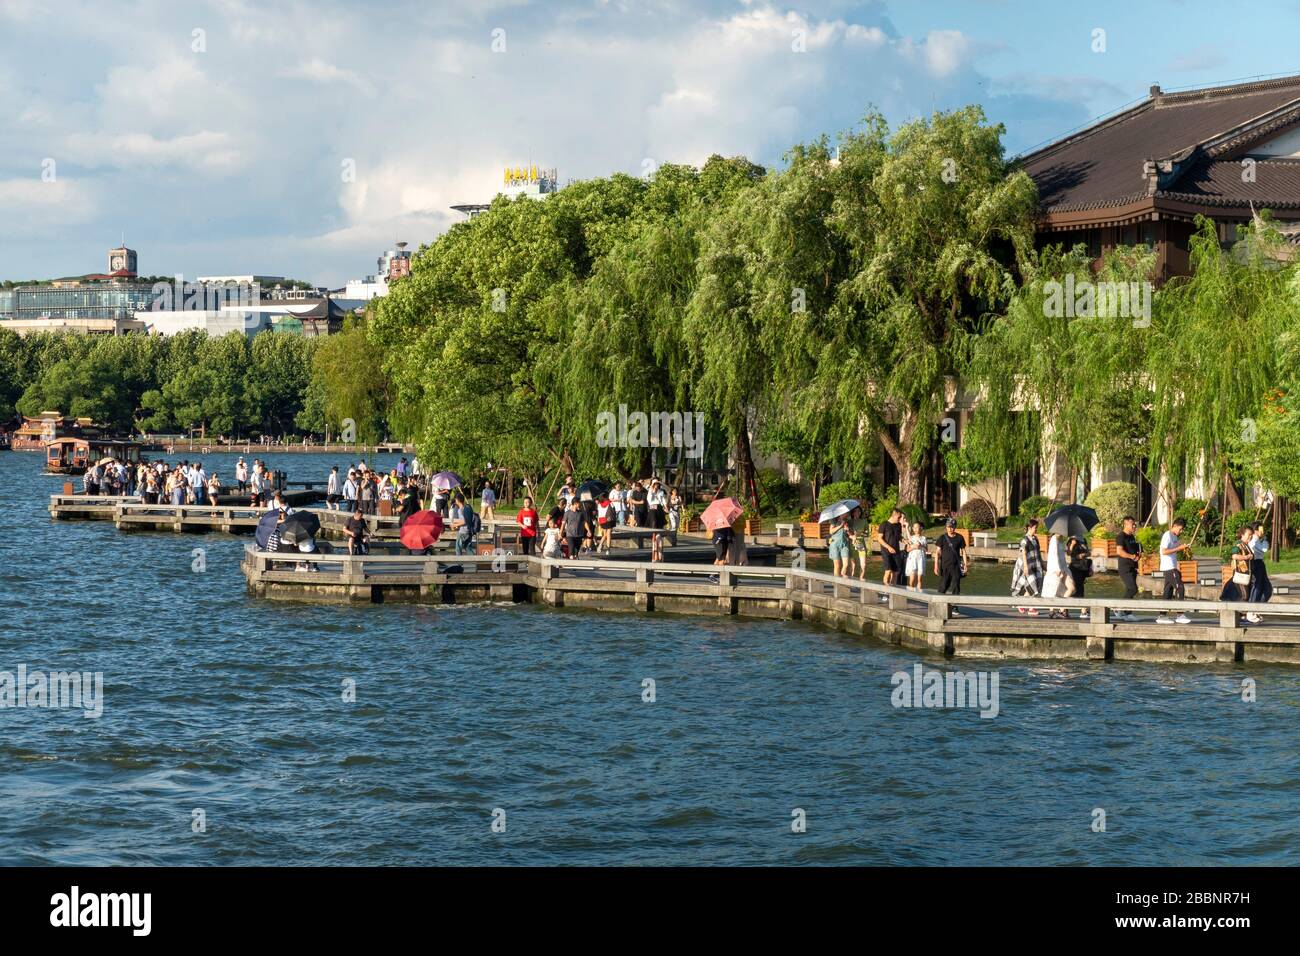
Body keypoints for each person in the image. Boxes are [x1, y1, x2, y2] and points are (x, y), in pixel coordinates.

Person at [1156, 517, 1193, 625]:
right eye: (1180, 529)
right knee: (1180, 587)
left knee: (1167, 592)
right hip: (1168, 567)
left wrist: (1185, 547)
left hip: (1172, 567)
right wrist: (1178, 548)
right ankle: (1179, 614)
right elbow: (1164, 551)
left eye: (1182, 530)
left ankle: (1162, 616)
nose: (1181, 531)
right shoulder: (1167, 535)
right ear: (1175, 526)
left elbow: (1177, 547)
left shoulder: (1174, 537)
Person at [1011, 518, 1044, 615]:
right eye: (1035, 528)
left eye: (1036, 527)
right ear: (1030, 528)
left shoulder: (1035, 539)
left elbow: (1038, 552)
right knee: (1032, 582)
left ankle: (1027, 606)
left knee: (1035, 585)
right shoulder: (1024, 540)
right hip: (1026, 565)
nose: (1036, 529)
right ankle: (1029, 607)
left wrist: (1042, 563)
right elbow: (1023, 553)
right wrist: (1025, 566)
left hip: (1036, 564)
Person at [1113, 516, 1141, 622]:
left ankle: (1127, 613)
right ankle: (1119, 608)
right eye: (1132, 524)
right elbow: (1119, 551)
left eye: (1134, 524)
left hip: (1133, 567)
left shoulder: (1132, 537)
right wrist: (1131, 556)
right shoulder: (1121, 536)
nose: (1134, 526)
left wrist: (1137, 556)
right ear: (1125, 525)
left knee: (1130, 589)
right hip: (1125, 567)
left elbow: (1134, 551)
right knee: (1133, 588)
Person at [1220, 525, 1255, 608]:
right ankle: (1240, 613)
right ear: (1242, 534)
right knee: (1244, 596)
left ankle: (1240, 614)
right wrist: (1246, 557)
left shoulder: (1246, 545)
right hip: (1241, 574)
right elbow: (1234, 556)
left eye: (1251, 535)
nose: (1250, 537)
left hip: (1246, 574)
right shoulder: (1239, 544)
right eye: (1248, 535)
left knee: (1244, 595)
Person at [933, 519, 967, 599]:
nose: (950, 529)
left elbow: (963, 552)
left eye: (952, 527)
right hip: (945, 566)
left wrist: (965, 564)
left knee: (956, 586)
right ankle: (938, 602)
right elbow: (937, 552)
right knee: (944, 586)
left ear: (955, 527)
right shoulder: (942, 538)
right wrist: (936, 566)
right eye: (948, 527)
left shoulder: (959, 538)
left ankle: (955, 606)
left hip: (956, 566)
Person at [1247, 522, 1272, 623]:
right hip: (1255, 564)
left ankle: (1256, 609)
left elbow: (1264, 549)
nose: (1263, 530)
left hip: (1260, 563)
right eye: (1261, 529)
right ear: (1256, 530)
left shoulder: (1258, 540)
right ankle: (1250, 611)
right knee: (1256, 587)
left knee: (1268, 589)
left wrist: (1263, 539)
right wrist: (1264, 539)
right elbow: (1264, 549)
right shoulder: (1253, 540)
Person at [878, 508, 903, 603]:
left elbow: (899, 536)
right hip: (886, 551)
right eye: (899, 517)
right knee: (888, 571)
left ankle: (893, 592)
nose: (900, 519)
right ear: (894, 515)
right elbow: (879, 539)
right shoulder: (884, 524)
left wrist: (904, 540)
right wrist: (888, 547)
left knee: (896, 572)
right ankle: (885, 593)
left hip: (896, 551)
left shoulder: (898, 525)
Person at [1042, 531, 1068, 618]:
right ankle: (1054, 610)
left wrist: (1064, 566)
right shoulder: (1054, 539)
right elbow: (1054, 555)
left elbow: (1061, 555)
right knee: (1054, 589)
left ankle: (1056, 610)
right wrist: (1057, 568)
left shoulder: (1059, 540)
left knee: (1058, 589)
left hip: (1061, 567)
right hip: (1055, 569)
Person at [1065, 535, 1092, 618]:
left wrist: (1083, 555)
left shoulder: (1083, 539)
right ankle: (1065, 609)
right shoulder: (1071, 540)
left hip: (1083, 567)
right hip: (1075, 567)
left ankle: (1083, 611)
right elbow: (1068, 553)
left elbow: (1089, 552)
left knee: (1080, 589)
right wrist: (1072, 544)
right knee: (1075, 589)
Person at [646, 479, 667, 562]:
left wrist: (666, 507)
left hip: (659, 509)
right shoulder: (650, 491)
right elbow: (649, 500)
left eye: (657, 484)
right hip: (652, 509)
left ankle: (660, 553)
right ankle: (654, 554)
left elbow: (663, 501)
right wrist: (652, 491)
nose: (656, 485)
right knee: (654, 526)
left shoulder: (661, 492)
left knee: (660, 527)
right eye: (655, 484)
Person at [829, 511, 854, 577]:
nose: (847, 514)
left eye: (847, 513)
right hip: (835, 544)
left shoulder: (848, 521)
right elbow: (831, 531)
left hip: (845, 544)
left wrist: (847, 529)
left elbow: (851, 534)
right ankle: (837, 582)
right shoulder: (834, 520)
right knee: (837, 565)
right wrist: (840, 526)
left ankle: (842, 579)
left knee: (846, 564)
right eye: (846, 512)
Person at [904, 521, 928, 591]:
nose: (915, 529)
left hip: (920, 559)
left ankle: (919, 594)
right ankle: (911, 593)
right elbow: (907, 550)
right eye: (914, 527)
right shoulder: (911, 538)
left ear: (921, 528)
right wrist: (914, 547)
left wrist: (921, 546)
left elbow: (926, 549)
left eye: (917, 527)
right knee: (912, 579)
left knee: (919, 579)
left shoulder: (924, 538)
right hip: (912, 559)